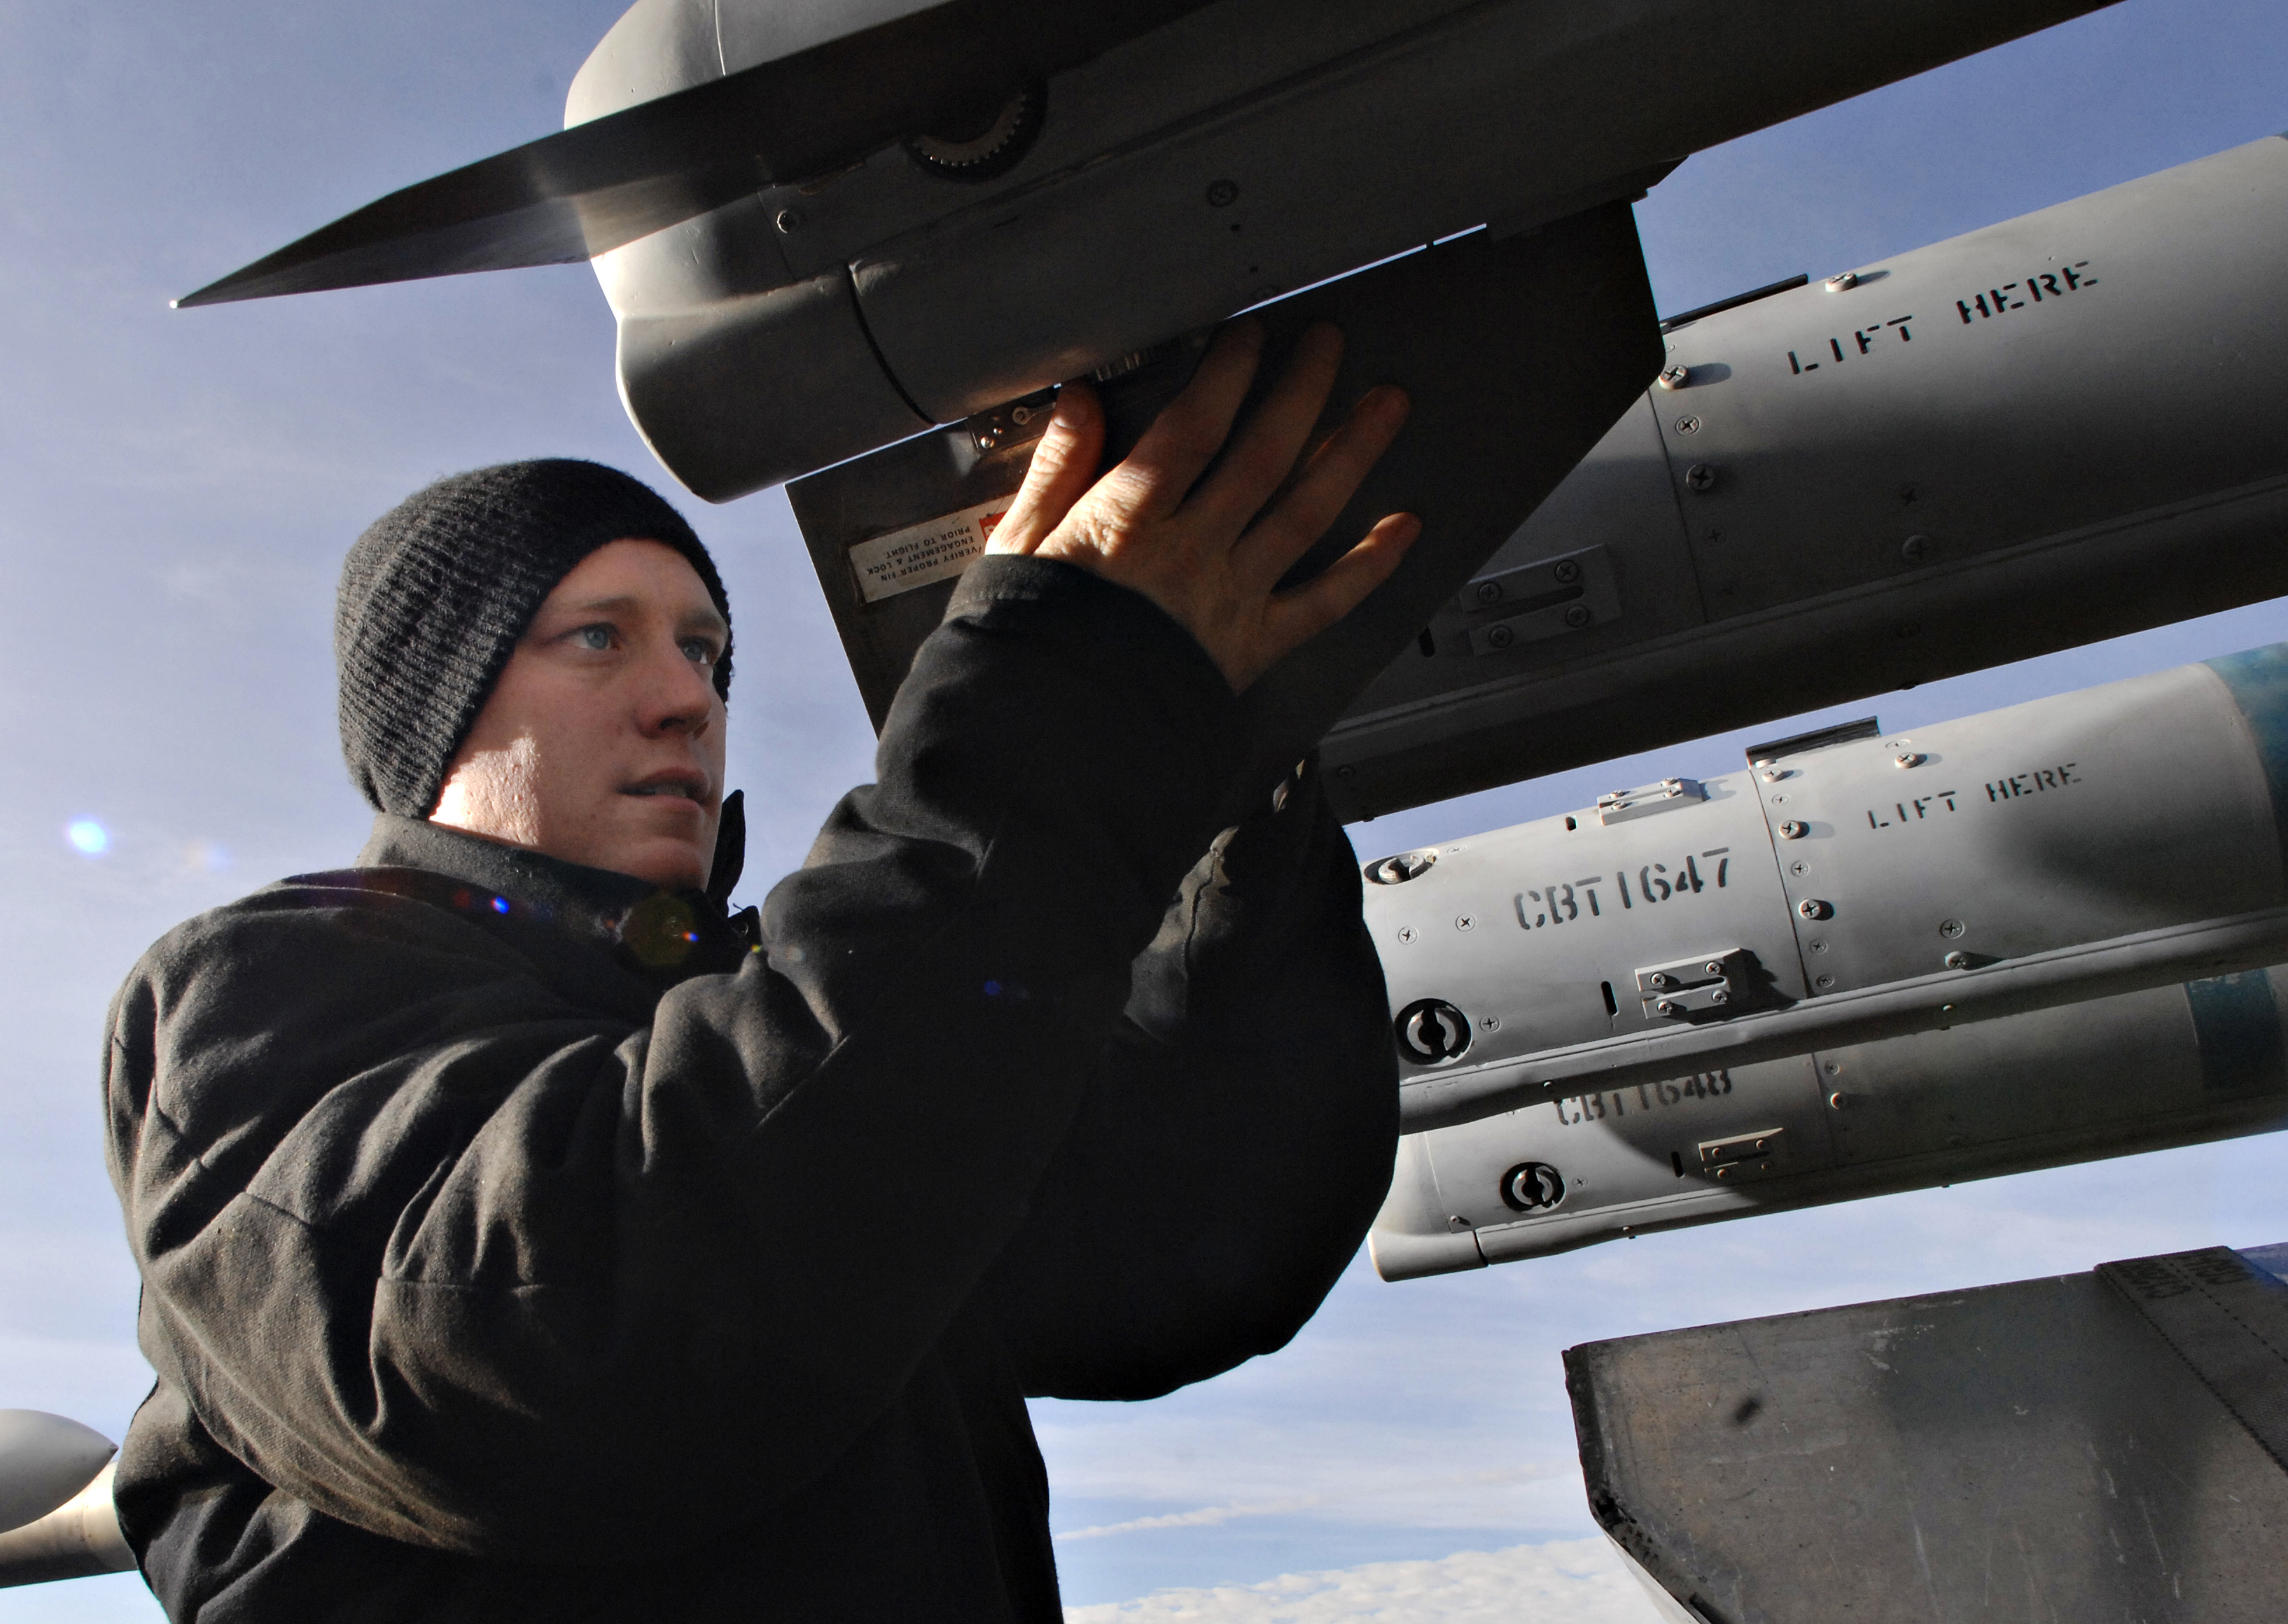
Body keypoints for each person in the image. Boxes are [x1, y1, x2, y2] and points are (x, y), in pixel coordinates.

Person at [102, 319, 1416, 1620]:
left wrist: (1222, 798)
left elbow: (1176, 1249)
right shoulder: (258, 989)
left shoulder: (821, 1022)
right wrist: (1064, 710)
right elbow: (549, 1348)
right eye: (598, 638)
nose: (687, 698)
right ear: (439, 712)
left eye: (706, 652)